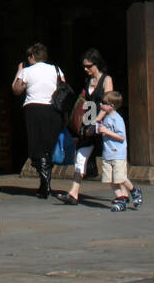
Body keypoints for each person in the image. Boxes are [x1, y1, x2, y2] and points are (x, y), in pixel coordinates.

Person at [55, 48, 112, 206]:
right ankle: (73, 193)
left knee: (111, 159)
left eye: (88, 66)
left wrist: (96, 122)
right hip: (88, 124)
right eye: (84, 67)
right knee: (80, 157)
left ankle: (128, 191)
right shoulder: (88, 82)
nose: (86, 70)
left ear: (97, 64)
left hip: (103, 125)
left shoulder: (106, 80)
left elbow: (108, 103)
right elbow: (86, 103)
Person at [12, 43, 64, 199]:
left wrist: (19, 72)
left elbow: (16, 90)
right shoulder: (56, 69)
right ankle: (45, 182)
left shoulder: (27, 71)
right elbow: (63, 86)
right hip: (53, 109)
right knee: (48, 145)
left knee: (36, 146)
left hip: (34, 108)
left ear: (32, 56)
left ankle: (45, 182)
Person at [95, 90, 143, 211]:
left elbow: (121, 137)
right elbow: (97, 128)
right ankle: (125, 196)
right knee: (110, 179)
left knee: (120, 178)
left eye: (104, 103)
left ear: (111, 106)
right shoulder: (105, 118)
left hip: (118, 153)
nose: (101, 105)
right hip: (107, 153)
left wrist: (106, 131)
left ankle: (129, 194)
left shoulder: (117, 119)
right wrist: (98, 122)